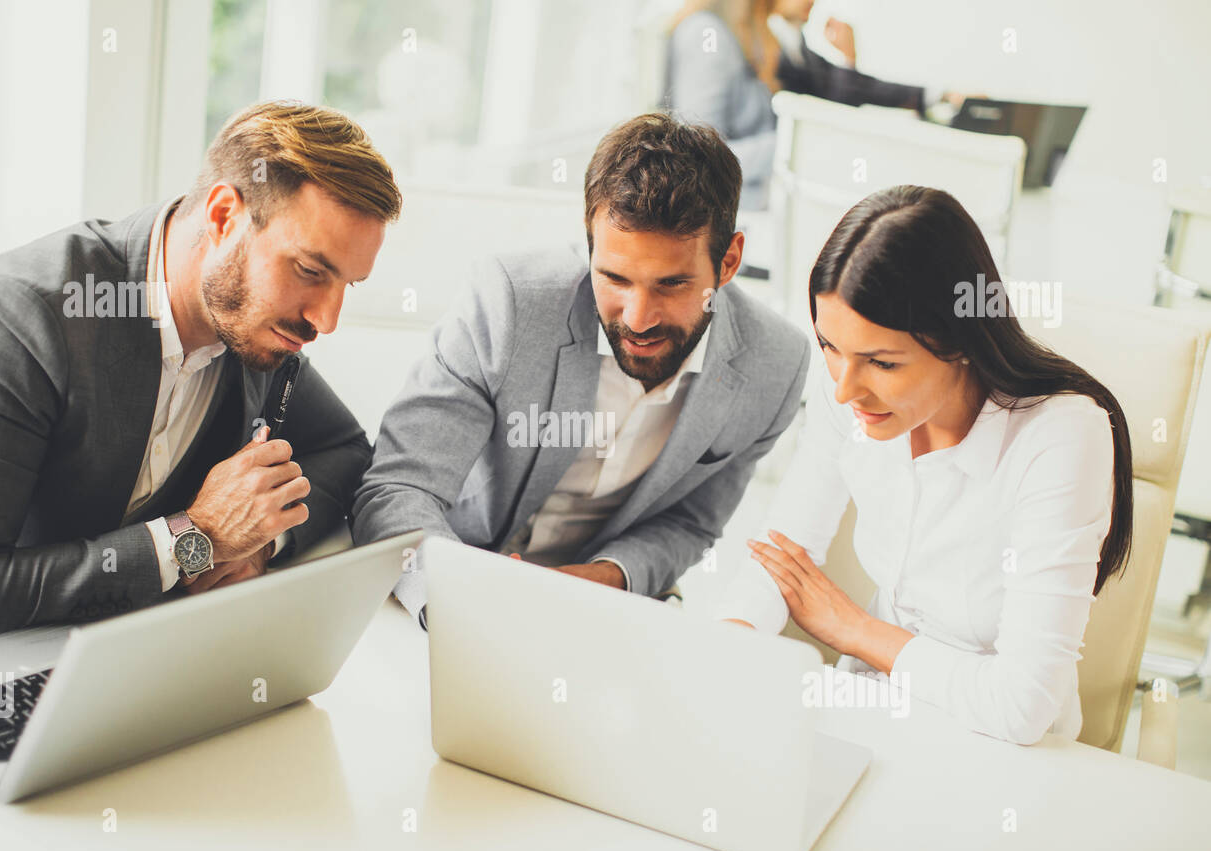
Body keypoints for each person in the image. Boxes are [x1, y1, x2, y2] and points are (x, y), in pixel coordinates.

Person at [0, 101, 401, 651]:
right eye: (310, 271)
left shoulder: (249, 329)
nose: (325, 320)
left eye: (346, 285)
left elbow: (346, 450)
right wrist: (198, 538)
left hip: (134, 654)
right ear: (222, 218)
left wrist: (258, 542)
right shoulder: (12, 322)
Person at [352, 112, 810, 627]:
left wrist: (611, 578)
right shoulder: (508, 304)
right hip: (445, 591)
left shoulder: (776, 366)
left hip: (608, 613)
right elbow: (398, 488)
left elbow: (690, 523)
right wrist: (457, 604)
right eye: (614, 278)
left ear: (728, 262)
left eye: (671, 285)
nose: (638, 319)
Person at [718, 185, 1134, 746]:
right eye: (829, 346)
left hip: (1004, 753)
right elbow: (785, 549)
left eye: (882, 362)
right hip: (871, 720)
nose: (844, 390)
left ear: (960, 339)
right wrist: (729, 643)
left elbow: (1021, 707)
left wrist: (858, 632)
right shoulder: (851, 391)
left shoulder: (1062, 435)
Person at [666, 0, 957, 210]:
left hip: (772, 194)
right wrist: (801, 141)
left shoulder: (761, 41)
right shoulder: (711, 35)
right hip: (752, 206)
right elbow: (699, 158)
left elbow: (838, 88)